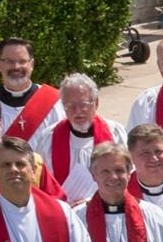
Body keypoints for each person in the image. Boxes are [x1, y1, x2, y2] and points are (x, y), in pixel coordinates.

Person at [43, 74, 124, 202]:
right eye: (70, 105)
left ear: (96, 103)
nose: (78, 111)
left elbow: (128, 175)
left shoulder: (115, 133)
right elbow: (43, 183)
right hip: (66, 213)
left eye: (83, 104)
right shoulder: (49, 138)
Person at [0, 36, 64, 147]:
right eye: (10, 61)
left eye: (22, 61)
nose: (16, 67)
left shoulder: (56, 100)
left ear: (32, 65)